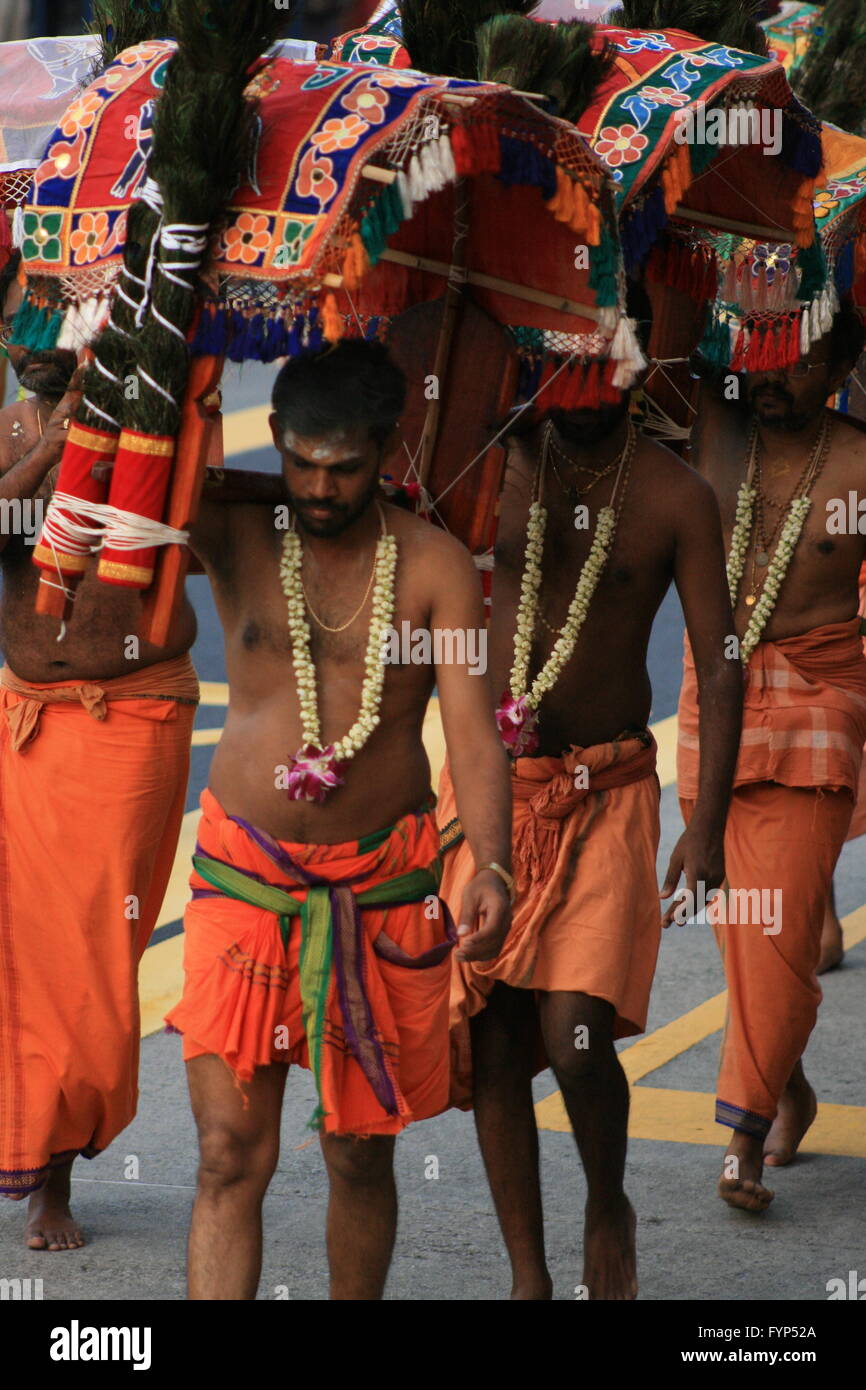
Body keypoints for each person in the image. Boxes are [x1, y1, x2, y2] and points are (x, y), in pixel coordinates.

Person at [165, 339, 513, 1301]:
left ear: (386, 448)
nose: (319, 488)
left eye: (345, 467)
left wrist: (493, 864)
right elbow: (139, 460)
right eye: (302, 462)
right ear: (273, 438)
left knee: (361, 1155)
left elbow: (475, 736)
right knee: (229, 1157)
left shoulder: (435, 564)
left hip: (384, 890)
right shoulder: (231, 528)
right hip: (243, 882)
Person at [436, 298, 743, 1300]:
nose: (567, 384)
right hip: (493, 780)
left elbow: (720, 660)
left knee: (572, 1034)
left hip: (606, 788)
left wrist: (704, 824)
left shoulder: (674, 495)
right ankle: (528, 1275)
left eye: (588, 360)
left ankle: (604, 1195)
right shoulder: (490, 462)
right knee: (489, 1031)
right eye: (547, 356)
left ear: (628, 363)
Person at [0, 250, 200, 1248]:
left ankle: (62, 1168)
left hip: (133, 720)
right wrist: (59, 441)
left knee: (92, 953)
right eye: (29, 321)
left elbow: (202, 531)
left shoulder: (172, 400)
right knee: (25, 957)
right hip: (31, 720)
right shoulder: (11, 431)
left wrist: (119, 417)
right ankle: (36, 1171)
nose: (41, 342)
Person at [681, 306, 866, 1212]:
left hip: (820, 705)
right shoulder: (719, 423)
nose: (776, 378)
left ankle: (741, 1140)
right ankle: (787, 1087)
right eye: (765, 356)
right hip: (710, 704)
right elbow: (674, 319)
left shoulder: (862, 463)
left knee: (782, 924)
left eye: (803, 363)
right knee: (746, 932)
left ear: (843, 365)